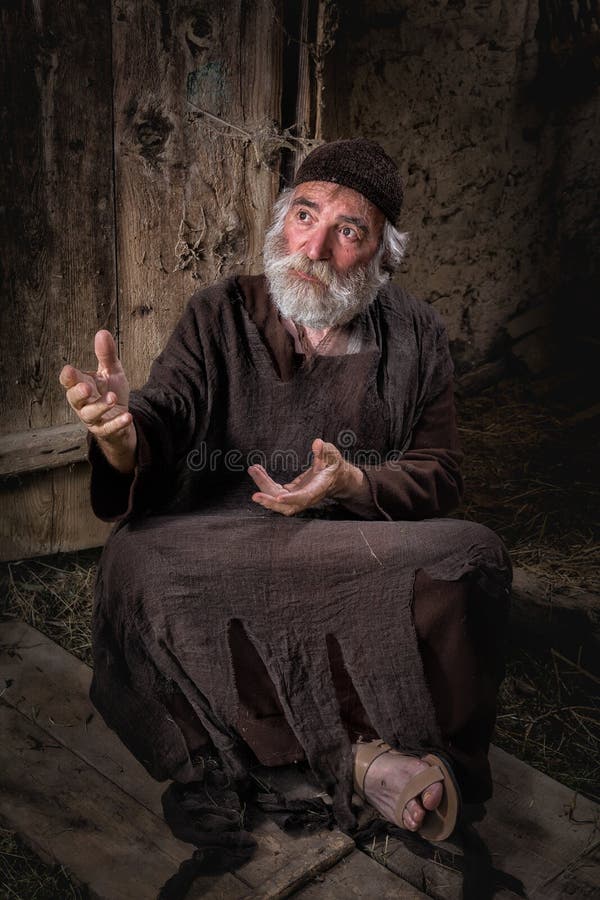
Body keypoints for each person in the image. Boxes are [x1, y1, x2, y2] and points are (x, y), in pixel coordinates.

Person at [59, 139, 511, 844]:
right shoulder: (218, 315)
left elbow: (441, 472)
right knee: (140, 566)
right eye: (305, 216)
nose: (316, 245)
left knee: (473, 556)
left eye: (348, 231)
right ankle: (362, 758)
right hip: (221, 538)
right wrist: (120, 435)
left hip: (344, 545)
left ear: (383, 258)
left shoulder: (416, 335)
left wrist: (355, 482)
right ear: (281, 224)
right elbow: (164, 417)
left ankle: (369, 752)